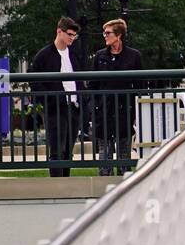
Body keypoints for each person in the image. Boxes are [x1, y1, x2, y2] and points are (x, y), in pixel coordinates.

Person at [30, 17, 84, 178]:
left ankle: (65, 182)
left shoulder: (74, 54)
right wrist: (51, 101)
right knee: (57, 150)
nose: (72, 38)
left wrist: (82, 101)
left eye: (74, 35)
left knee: (68, 149)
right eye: (69, 34)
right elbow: (34, 81)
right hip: (55, 109)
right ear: (59, 31)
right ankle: (57, 184)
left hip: (74, 106)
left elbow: (80, 79)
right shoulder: (44, 55)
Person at [89, 19, 144, 175]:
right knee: (104, 154)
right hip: (103, 111)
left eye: (108, 33)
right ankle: (103, 187)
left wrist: (135, 112)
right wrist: (94, 108)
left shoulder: (133, 56)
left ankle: (124, 185)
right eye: (104, 33)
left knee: (124, 154)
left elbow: (139, 85)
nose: (105, 36)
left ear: (118, 35)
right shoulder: (100, 56)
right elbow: (93, 84)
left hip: (124, 111)